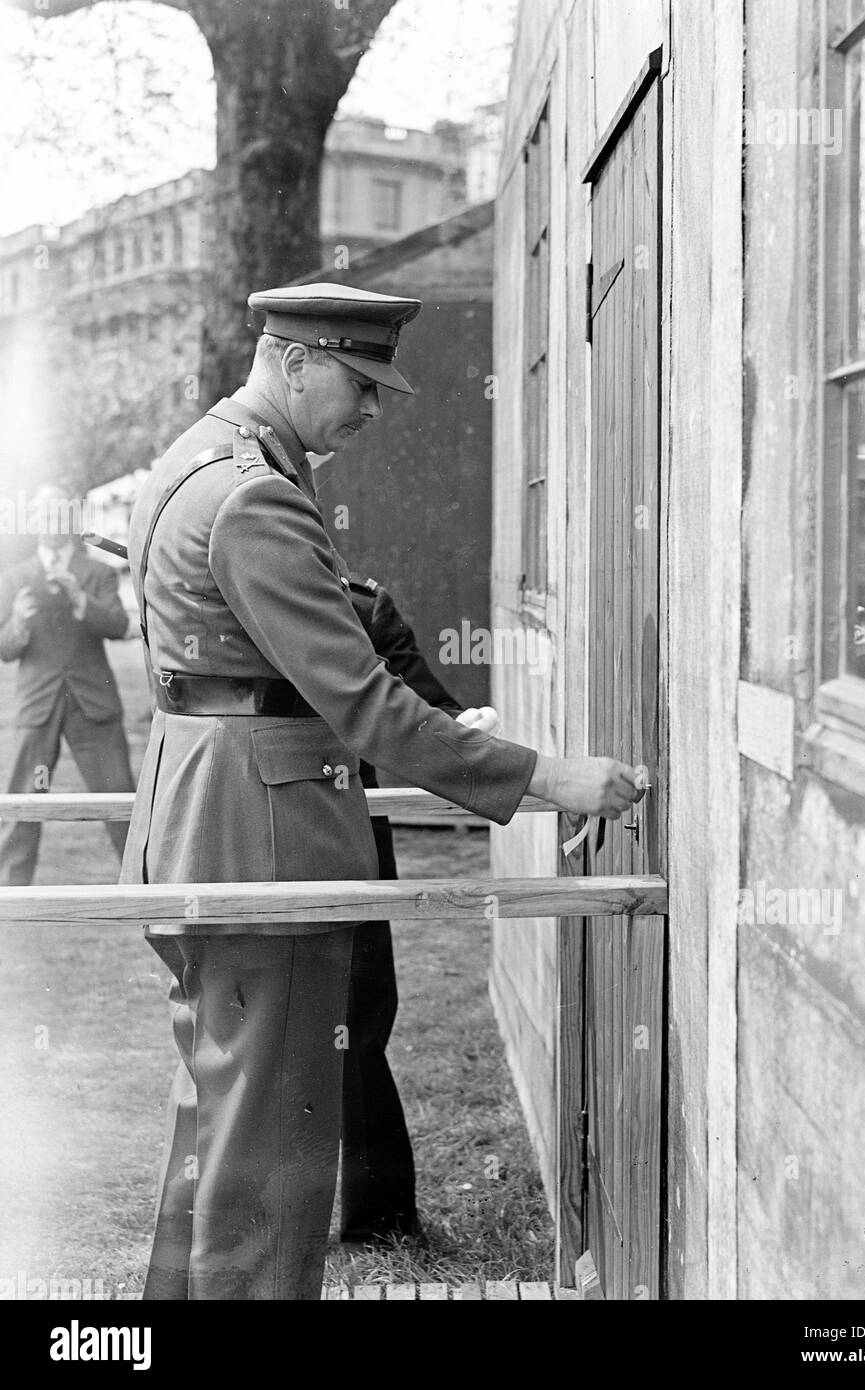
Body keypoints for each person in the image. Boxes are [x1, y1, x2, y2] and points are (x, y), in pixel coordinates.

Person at [122, 282, 644, 1300]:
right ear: (293, 363)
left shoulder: (193, 459)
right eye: (359, 384)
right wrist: (551, 778)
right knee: (273, 1143)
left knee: (220, 1118)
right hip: (261, 840)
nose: (371, 408)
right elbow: (365, 705)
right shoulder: (254, 495)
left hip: (200, 817)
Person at [340, 575, 489, 1245]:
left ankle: (378, 1220)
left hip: (346, 825)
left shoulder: (361, 604)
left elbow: (432, 706)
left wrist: (465, 731)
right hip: (250, 823)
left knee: (359, 1017)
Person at [0, 484, 134, 885]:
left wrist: (81, 601)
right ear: (33, 521)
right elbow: (4, 649)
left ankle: (146, 892)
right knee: (24, 802)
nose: (52, 522)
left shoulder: (98, 572)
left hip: (94, 703)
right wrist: (18, 623)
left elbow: (120, 625)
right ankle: (11, 900)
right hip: (38, 705)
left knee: (121, 802)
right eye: (44, 514)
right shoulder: (14, 578)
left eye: (60, 514)